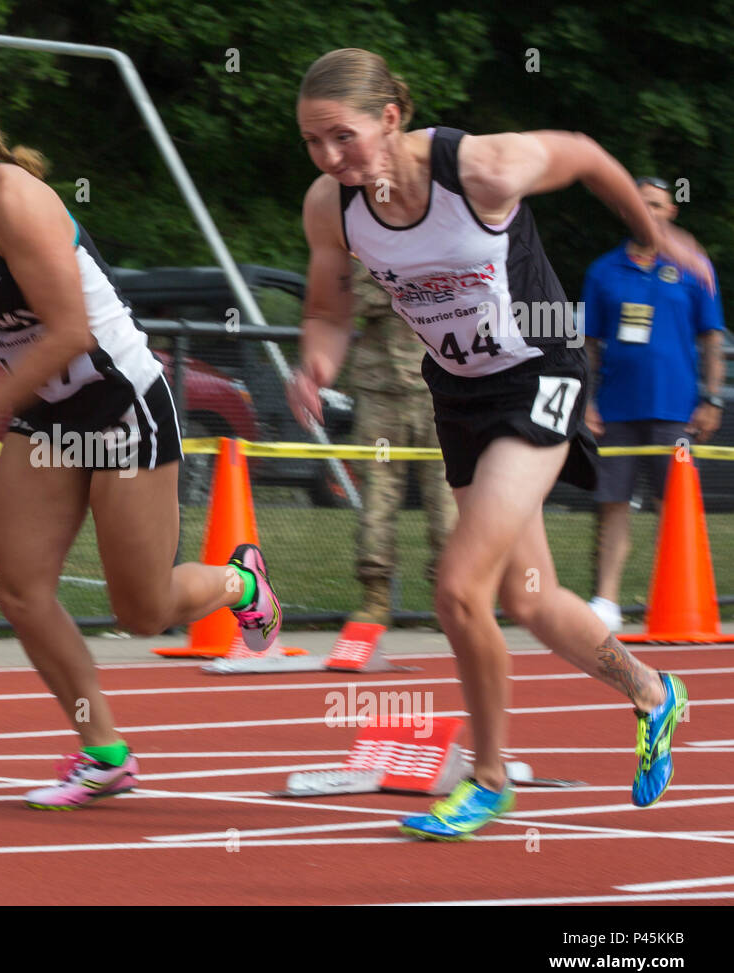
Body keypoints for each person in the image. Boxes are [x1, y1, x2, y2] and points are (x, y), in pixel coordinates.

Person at [289, 49, 707, 839]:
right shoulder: (330, 206)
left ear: (390, 117)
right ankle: (656, 694)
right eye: (312, 142)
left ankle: (487, 778)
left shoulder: (479, 167)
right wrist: (317, 360)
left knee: (458, 589)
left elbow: (585, 152)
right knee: (528, 598)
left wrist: (655, 235)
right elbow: (327, 308)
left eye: (341, 137)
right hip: (460, 394)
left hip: (540, 373)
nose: (329, 158)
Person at [0, 70, 280, 810]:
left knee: (144, 610)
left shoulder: (18, 201)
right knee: (21, 591)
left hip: (122, 402)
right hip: (48, 415)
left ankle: (241, 582)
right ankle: (104, 751)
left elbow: (69, 334)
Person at [582, 176, 726, 632]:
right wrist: (586, 401)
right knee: (613, 504)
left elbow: (712, 337)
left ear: (671, 212)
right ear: (628, 210)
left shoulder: (693, 267)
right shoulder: (602, 271)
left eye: (658, 205)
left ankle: (671, 598)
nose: (648, 212)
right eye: (640, 204)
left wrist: (712, 398)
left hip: (676, 409)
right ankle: (606, 602)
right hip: (616, 410)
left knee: (676, 506)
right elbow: (587, 345)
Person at [347, 262, 456, 626]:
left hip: (442, 384)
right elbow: (352, 300)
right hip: (381, 386)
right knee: (378, 491)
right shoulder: (366, 238)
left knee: (447, 493)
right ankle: (376, 595)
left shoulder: (452, 232)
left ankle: (450, 596)